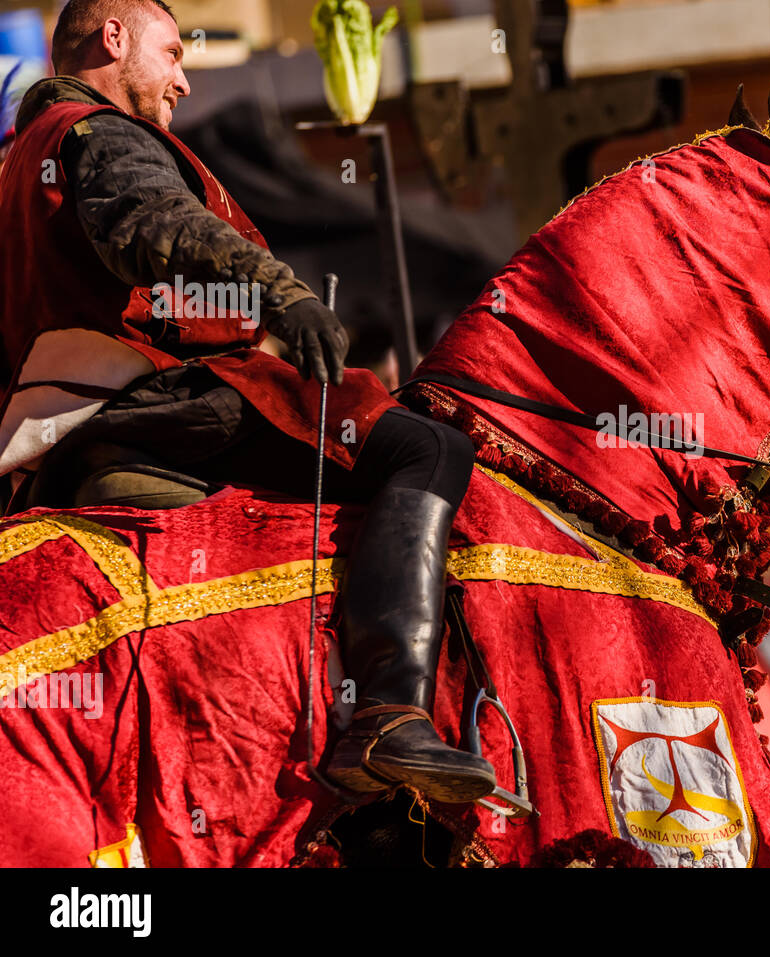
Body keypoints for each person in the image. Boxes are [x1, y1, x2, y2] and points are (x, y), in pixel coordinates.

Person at [0, 0, 496, 802]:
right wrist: (281, 294)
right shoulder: (96, 133)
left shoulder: (20, 161)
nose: (184, 81)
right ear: (113, 38)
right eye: (170, 54)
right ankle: (388, 714)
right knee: (428, 447)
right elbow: (153, 223)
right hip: (164, 407)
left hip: (69, 439)